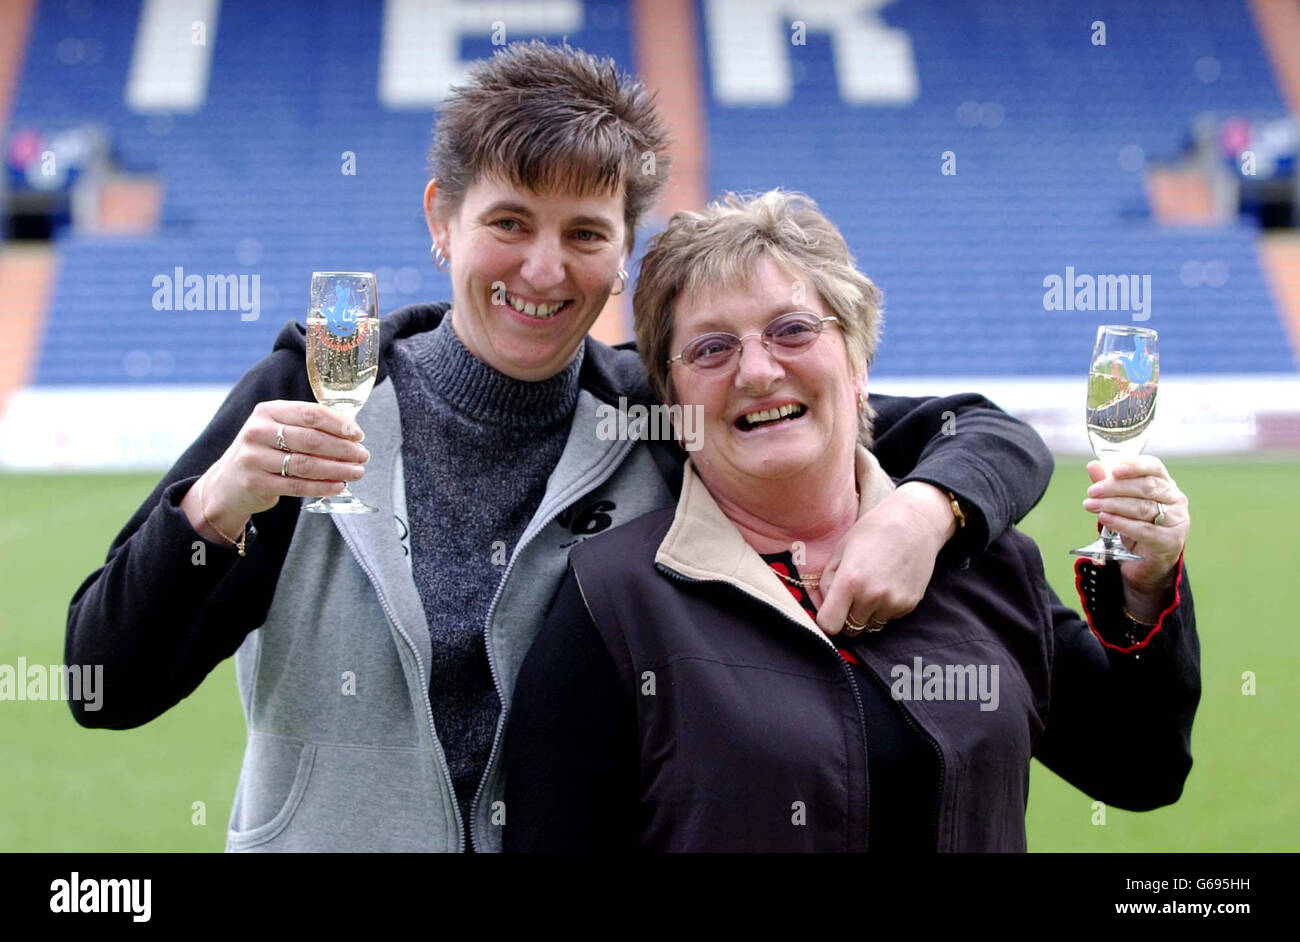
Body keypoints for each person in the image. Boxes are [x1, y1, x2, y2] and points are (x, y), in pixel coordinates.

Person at [65, 43, 1055, 853]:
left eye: (584, 233)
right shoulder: (314, 394)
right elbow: (99, 685)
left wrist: (931, 511)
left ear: (621, 254)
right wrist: (212, 514)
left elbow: (976, 431)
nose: (543, 270)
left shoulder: (652, 412)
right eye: (508, 222)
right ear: (440, 222)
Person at [502, 189, 1197, 852]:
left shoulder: (982, 558)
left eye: (793, 330)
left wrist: (1143, 590)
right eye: (711, 348)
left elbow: (1140, 769)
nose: (757, 370)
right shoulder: (612, 600)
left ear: (858, 363)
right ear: (671, 395)